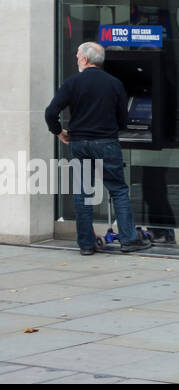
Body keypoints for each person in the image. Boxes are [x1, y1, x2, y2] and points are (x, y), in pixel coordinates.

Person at [44, 41, 153, 256]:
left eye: (77, 55)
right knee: (118, 190)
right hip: (106, 142)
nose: (76, 59)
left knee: (83, 194)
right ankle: (129, 240)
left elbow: (50, 112)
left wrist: (59, 132)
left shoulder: (72, 83)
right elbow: (123, 119)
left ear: (85, 59)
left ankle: (86, 244)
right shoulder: (114, 84)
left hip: (79, 142)